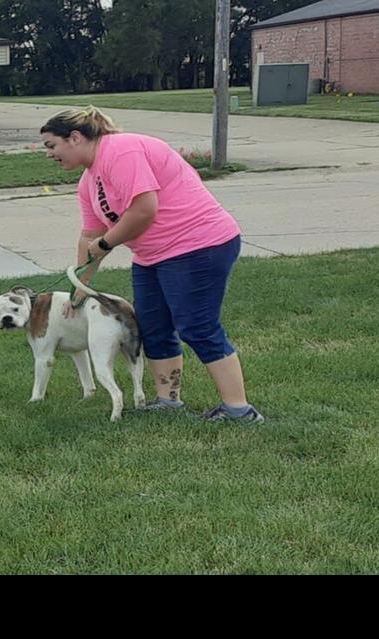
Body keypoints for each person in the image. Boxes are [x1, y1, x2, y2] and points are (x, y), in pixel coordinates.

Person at [39, 106, 264, 422]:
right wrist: (79, 290)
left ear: (75, 137)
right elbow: (89, 237)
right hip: (153, 255)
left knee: (196, 326)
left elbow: (144, 209)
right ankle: (168, 402)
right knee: (154, 327)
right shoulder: (89, 181)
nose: (49, 154)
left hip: (199, 244)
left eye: (52, 145)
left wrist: (107, 243)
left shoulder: (120, 150)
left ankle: (239, 409)